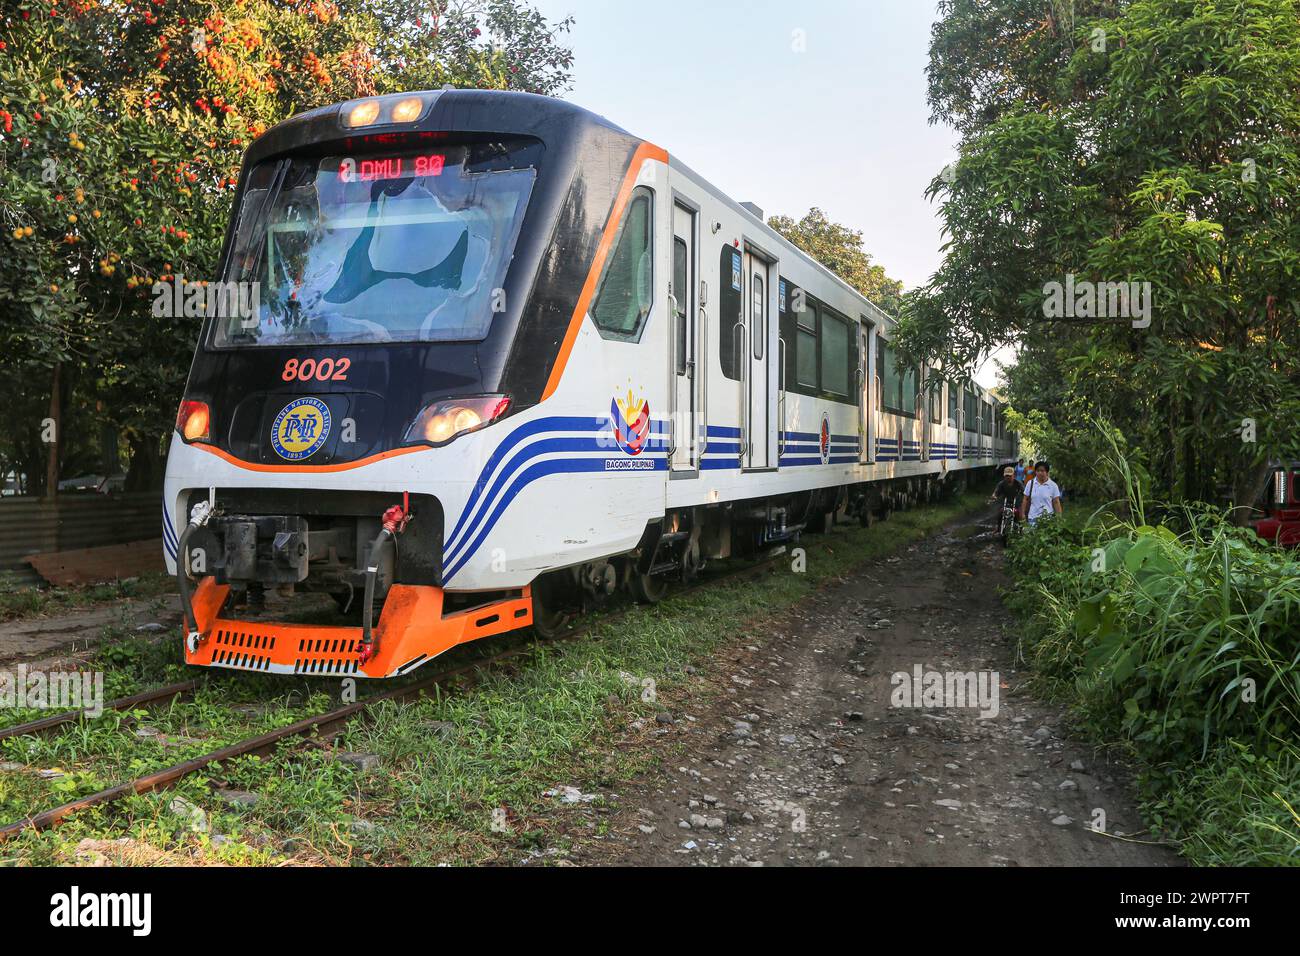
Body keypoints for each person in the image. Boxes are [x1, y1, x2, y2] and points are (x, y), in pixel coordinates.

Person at [1021, 461, 1063, 525]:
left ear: (1047, 472)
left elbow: (1056, 502)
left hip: (1048, 520)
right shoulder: (1030, 483)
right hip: (1032, 519)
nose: (1040, 473)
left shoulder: (1053, 485)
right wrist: (1023, 514)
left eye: (1042, 471)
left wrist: (1059, 518)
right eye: (1038, 471)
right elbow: (1025, 499)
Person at [989, 465, 1023, 533]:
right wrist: (994, 496)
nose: (1008, 477)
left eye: (1010, 475)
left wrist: (1024, 499)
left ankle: (1021, 529)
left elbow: (1025, 492)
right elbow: (996, 492)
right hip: (1005, 503)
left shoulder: (1018, 483)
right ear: (1004, 476)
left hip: (1016, 503)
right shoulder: (1001, 484)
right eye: (1006, 476)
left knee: (1020, 515)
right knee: (999, 514)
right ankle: (998, 528)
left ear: (1014, 475)